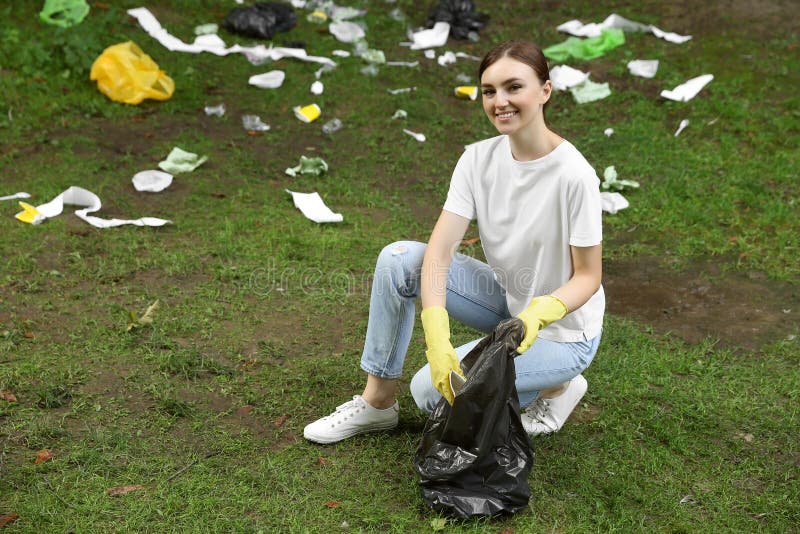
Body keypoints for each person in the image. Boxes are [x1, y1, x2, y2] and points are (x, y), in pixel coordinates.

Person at [303, 40, 604, 445]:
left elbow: (588, 276)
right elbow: (438, 253)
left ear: (545, 91)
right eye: (489, 91)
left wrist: (539, 314)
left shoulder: (575, 176)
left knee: (430, 393)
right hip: (510, 301)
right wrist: (437, 334)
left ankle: (559, 385)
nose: (500, 101)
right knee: (399, 259)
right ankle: (377, 404)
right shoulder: (478, 160)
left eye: (514, 87)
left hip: (562, 331)